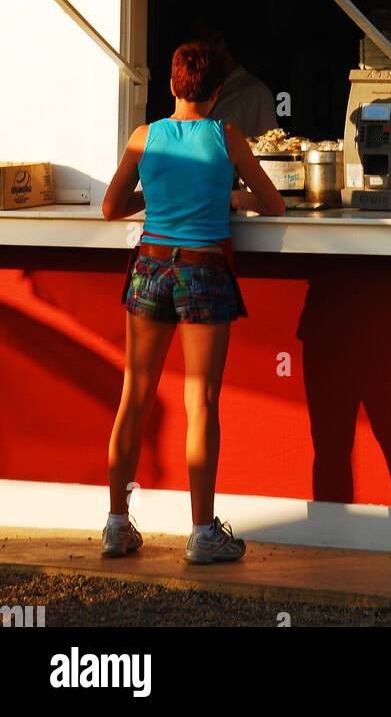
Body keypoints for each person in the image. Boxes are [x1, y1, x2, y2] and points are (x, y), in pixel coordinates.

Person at [101, 40, 285, 564]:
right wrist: (226, 195)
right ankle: (202, 533)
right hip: (203, 271)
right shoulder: (227, 136)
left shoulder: (145, 137)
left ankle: (117, 525)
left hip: (151, 268)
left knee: (134, 395)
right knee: (200, 403)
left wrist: (155, 197)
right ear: (219, 90)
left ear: (172, 85)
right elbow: (272, 204)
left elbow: (111, 209)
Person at [188, 20, 277, 138]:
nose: (195, 56)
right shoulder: (197, 91)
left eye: (201, 42)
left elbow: (270, 150)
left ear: (219, 42)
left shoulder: (257, 94)